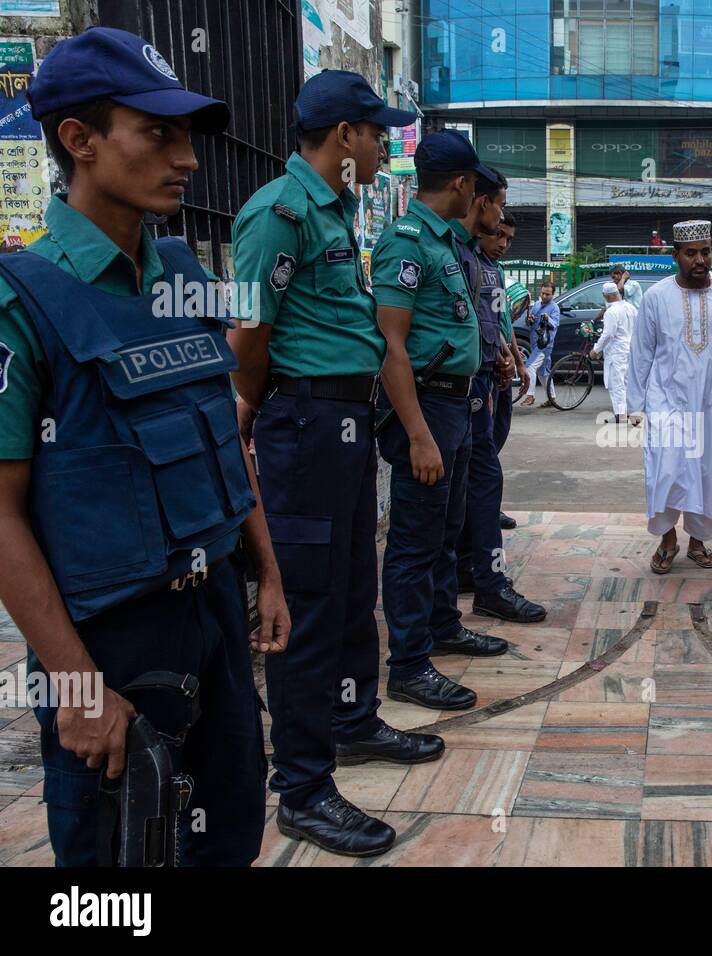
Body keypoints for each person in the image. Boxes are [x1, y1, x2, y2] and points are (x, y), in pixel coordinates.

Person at [0, 26, 288, 866]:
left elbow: (225, 433)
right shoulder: (24, 300)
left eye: (187, 135)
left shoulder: (186, 277)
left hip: (215, 617)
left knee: (228, 827)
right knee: (116, 863)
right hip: (109, 643)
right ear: (79, 141)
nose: (188, 158)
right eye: (157, 133)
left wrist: (264, 568)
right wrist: (77, 685)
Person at [229, 70, 442, 858]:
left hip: (346, 421)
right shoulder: (277, 216)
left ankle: (352, 720)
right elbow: (249, 338)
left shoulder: (335, 210)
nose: (387, 146)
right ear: (344, 136)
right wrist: (249, 414)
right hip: (306, 423)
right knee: (310, 607)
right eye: (377, 132)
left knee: (354, 592)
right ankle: (305, 789)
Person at [370, 132, 513, 724]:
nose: (481, 196)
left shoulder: (447, 244)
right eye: (476, 185)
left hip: (455, 405)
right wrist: (420, 435)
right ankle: (408, 664)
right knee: (413, 539)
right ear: (460, 184)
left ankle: (442, 627)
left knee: (446, 526)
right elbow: (390, 345)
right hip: (425, 409)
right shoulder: (407, 243)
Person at [627, 219, 712, 573]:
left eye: (705, 252)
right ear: (675, 255)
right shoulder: (656, 297)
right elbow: (640, 353)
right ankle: (668, 539)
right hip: (666, 403)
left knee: (708, 472)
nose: (700, 259)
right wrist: (634, 404)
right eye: (691, 253)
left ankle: (698, 542)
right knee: (665, 472)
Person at [450, 170, 545, 623]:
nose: (503, 227)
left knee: (482, 481)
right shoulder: (447, 251)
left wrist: (507, 359)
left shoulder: (482, 263)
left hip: (483, 379)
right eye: (499, 210)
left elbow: (492, 322)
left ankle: (478, 576)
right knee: (465, 489)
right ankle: (475, 582)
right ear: (475, 198)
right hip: (455, 392)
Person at [493, 217, 529, 530]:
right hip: (486, 372)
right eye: (498, 235)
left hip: (504, 370)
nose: (503, 244)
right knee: (482, 450)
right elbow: (486, 327)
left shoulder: (499, 273)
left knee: (495, 441)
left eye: (509, 239)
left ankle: (490, 506)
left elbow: (504, 323)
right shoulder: (473, 267)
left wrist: (518, 362)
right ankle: (484, 510)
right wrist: (504, 356)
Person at [591, 280, 636, 421]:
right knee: (627, 382)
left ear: (606, 296)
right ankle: (627, 412)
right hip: (630, 349)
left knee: (616, 384)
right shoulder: (631, 307)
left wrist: (596, 349)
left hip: (617, 352)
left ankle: (620, 414)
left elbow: (609, 334)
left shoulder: (611, 312)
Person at [523, 282, 559, 406]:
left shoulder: (554, 308)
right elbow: (529, 323)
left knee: (529, 367)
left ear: (553, 294)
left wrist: (548, 318)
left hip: (544, 345)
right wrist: (530, 320)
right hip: (535, 343)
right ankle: (552, 398)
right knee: (543, 372)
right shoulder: (537, 305)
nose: (544, 296)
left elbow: (555, 325)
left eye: (547, 294)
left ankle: (530, 395)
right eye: (543, 293)